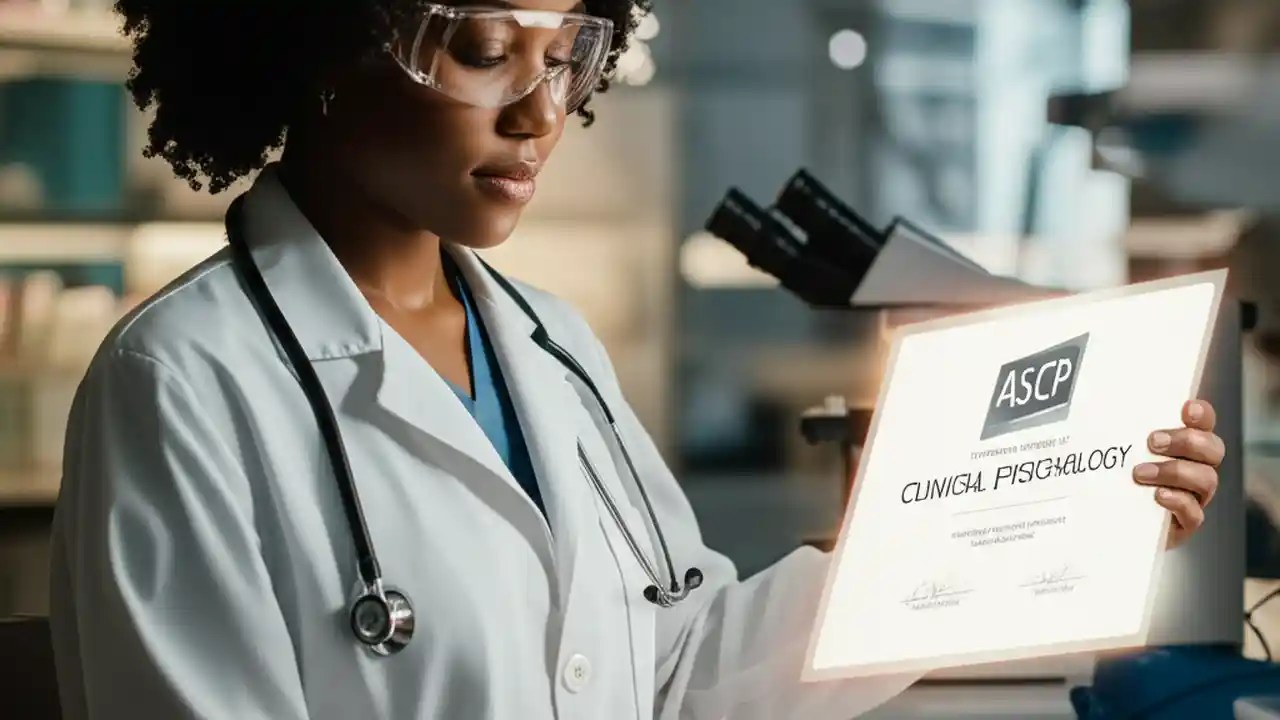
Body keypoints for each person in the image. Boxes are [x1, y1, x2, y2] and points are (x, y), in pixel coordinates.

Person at [48, 1, 1228, 718]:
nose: (540, 112)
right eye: (482, 49)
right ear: (321, 40)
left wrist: (1061, 510)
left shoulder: (550, 343)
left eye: (565, 52)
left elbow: (680, 670)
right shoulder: (183, 383)